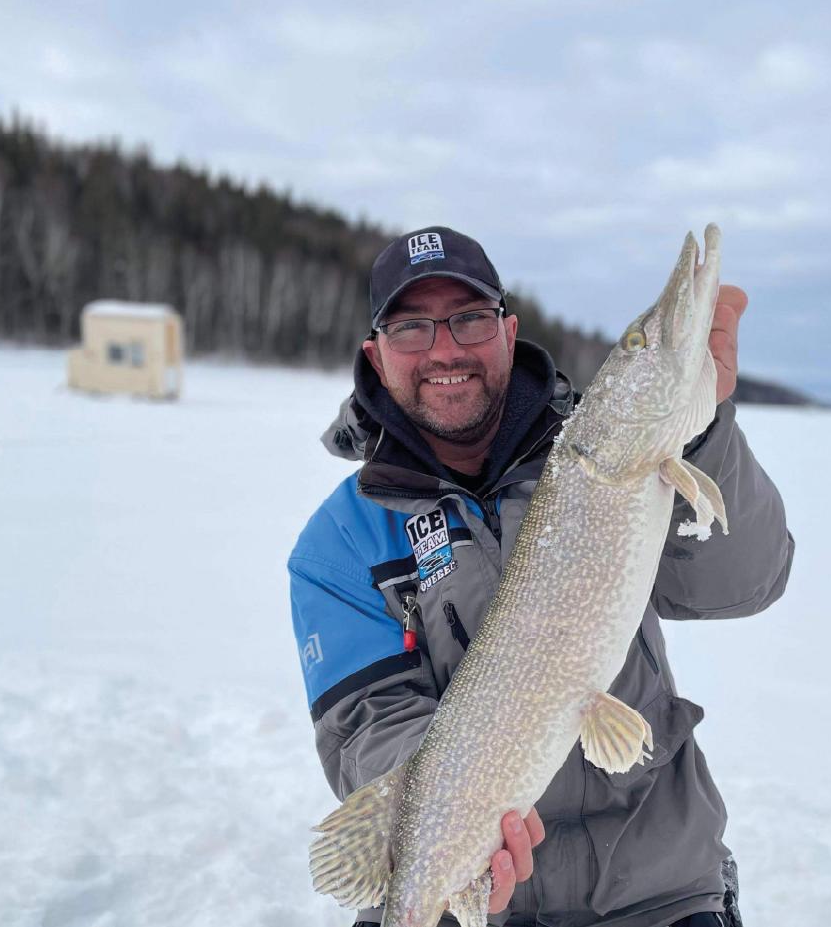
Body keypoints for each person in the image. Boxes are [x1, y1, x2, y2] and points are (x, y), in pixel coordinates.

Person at [289, 226, 794, 927]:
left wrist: (699, 429)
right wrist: (461, 834)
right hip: (469, 893)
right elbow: (367, 724)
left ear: (506, 329)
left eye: (468, 318)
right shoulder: (340, 539)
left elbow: (743, 581)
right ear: (376, 355)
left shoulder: (597, 461)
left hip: (656, 885)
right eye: (411, 328)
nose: (444, 350)